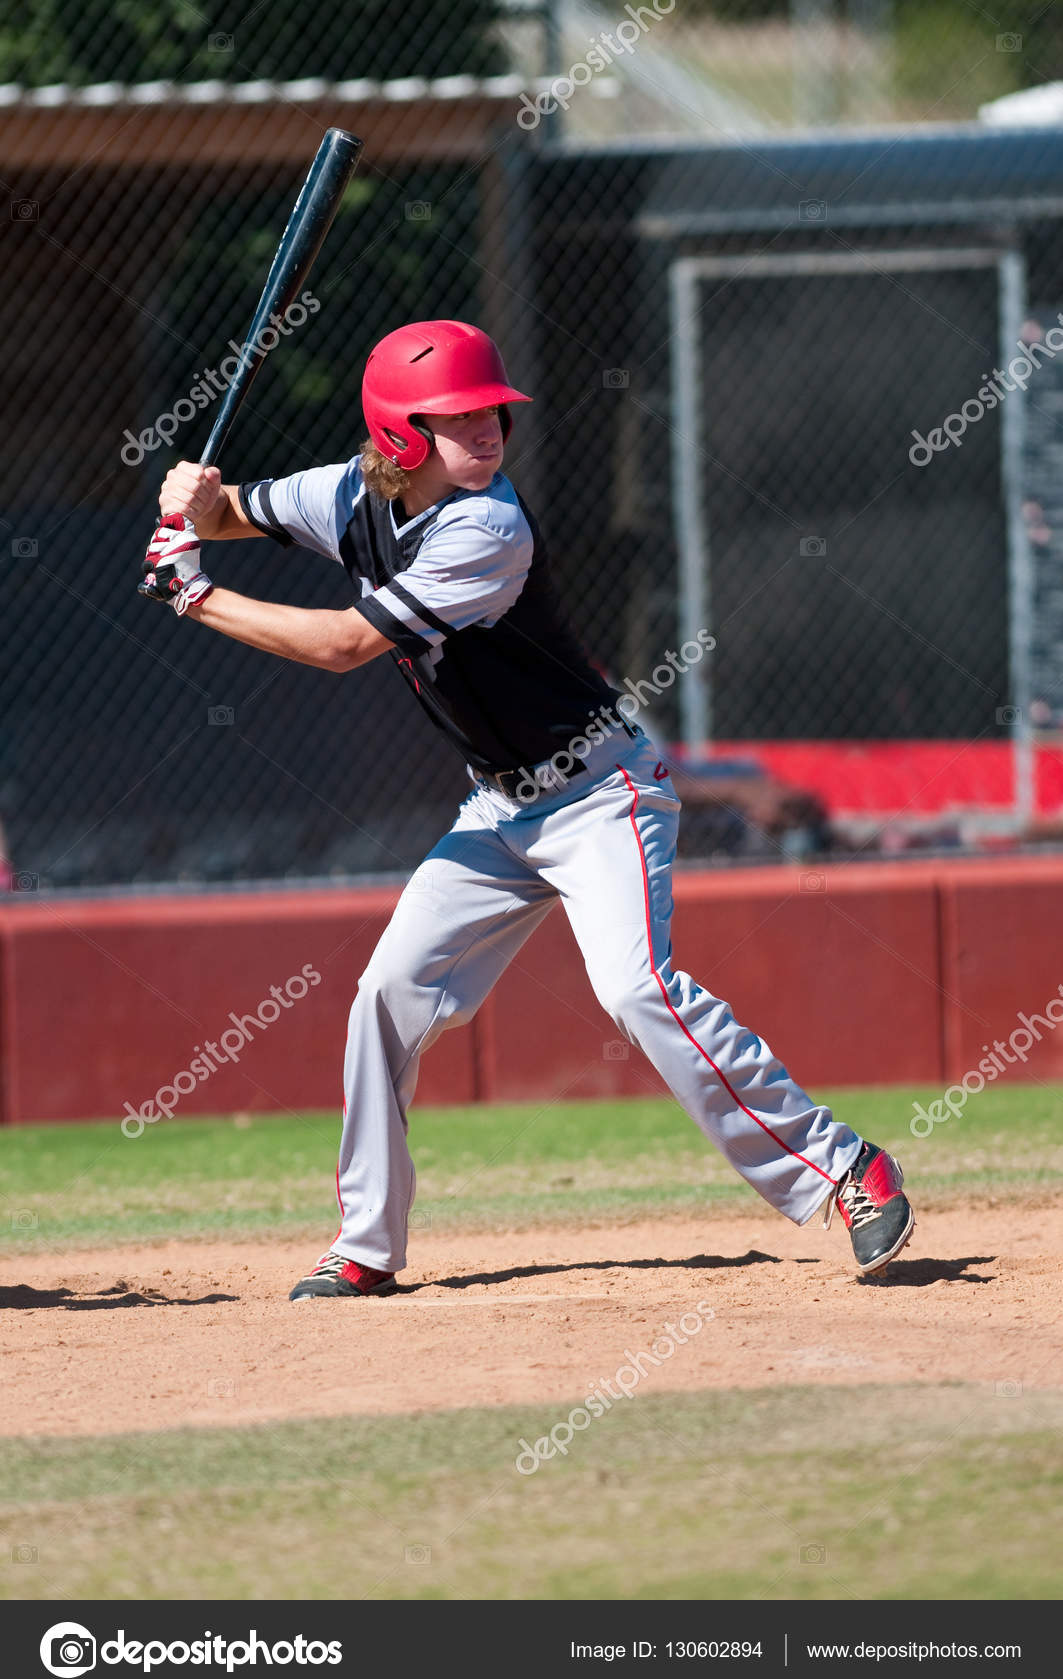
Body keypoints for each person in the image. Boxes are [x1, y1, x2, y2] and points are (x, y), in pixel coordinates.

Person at [143, 319, 915, 1299]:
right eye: (460, 416)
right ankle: (366, 1245)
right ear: (400, 436)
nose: (490, 428)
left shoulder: (487, 527)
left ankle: (847, 1167)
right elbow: (228, 514)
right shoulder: (343, 495)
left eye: (493, 412)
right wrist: (195, 501)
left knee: (636, 990)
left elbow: (341, 646)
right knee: (385, 994)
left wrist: (193, 596)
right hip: (498, 810)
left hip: (600, 794)